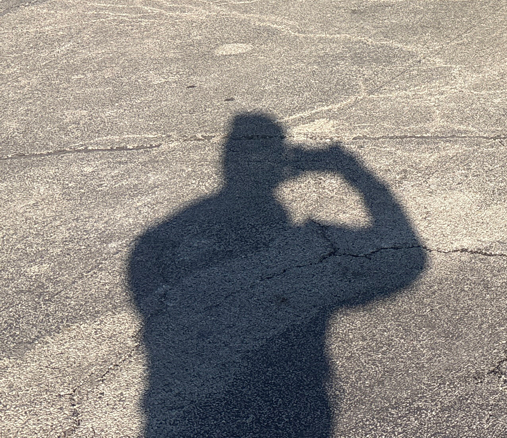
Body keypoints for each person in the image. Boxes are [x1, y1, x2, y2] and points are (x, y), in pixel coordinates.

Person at [127, 114, 425, 438]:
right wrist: (351, 170)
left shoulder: (156, 241)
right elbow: (409, 260)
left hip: (177, 422)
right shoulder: (300, 247)